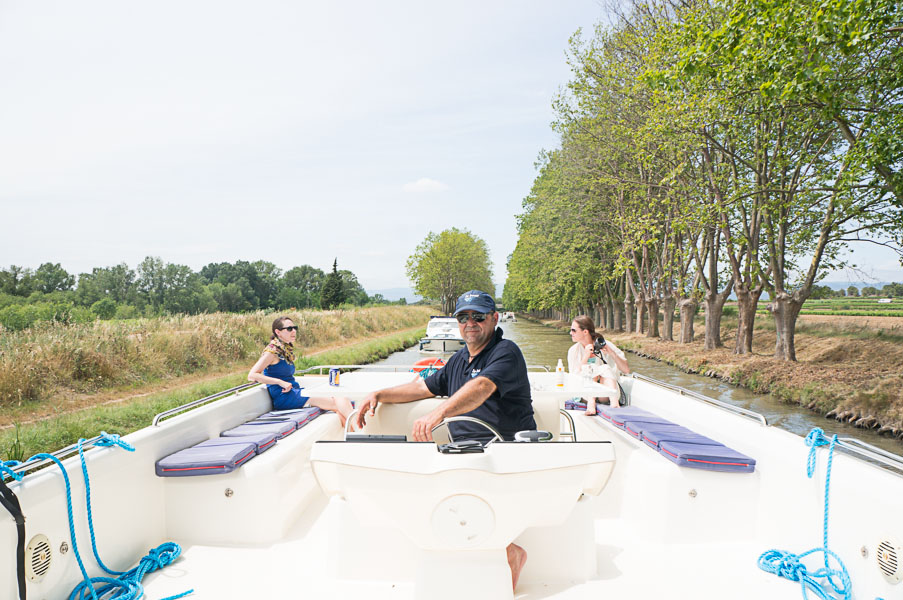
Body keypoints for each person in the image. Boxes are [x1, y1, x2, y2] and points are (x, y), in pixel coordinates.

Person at [355, 290, 533, 591]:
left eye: (478, 316)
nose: (470, 323)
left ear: (494, 318)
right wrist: (379, 394)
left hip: (505, 449)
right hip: (462, 451)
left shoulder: (506, 352)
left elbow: (482, 386)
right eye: (463, 317)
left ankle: (509, 554)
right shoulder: (459, 359)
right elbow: (423, 388)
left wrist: (438, 414)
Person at [248, 316, 354, 425]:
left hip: (294, 391)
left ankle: (350, 434)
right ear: (278, 332)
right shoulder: (272, 352)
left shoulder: (284, 349)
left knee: (338, 402)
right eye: (289, 329)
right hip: (285, 396)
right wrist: (280, 382)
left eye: (294, 328)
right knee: (337, 401)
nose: (293, 331)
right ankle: (355, 430)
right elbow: (252, 375)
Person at [567, 315, 630, 415]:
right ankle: (591, 404)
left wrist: (611, 353)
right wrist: (585, 357)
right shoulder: (573, 351)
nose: (571, 333)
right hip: (585, 394)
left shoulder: (604, 344)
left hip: (606, 393)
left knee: (604, 368)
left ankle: (614, 404)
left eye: (574, 330)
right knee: (591, 369)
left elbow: (626, 370)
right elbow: (574, 377)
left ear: (585, 332)